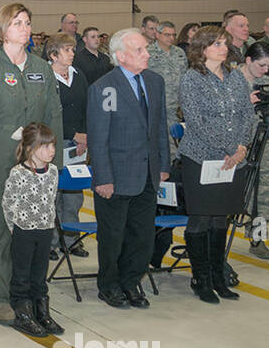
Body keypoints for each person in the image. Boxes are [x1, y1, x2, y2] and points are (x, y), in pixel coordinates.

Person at [0, 4, 62, 323]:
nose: (25, 27)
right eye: (18, 22)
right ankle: (2, 297)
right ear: (3, 29)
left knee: (30, 231)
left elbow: (53, 114)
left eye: (28, 22)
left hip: (35, 166)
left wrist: (53, 158)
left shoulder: (41, 68)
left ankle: (26, 293)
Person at [86, 28, 170, 310]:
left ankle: (131, 281)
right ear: (121, 56)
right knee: (113, 235)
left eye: (146, 49)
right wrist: (103, 177)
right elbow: (99, 138)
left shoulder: (155, 82)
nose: (147, 54)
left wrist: (163, 165)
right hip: (116, 175)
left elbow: (159, 127)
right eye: (140, 50)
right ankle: (109, 285)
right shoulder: (105, 88)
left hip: (148, 173)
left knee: (142, 235)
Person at [177, 27, 253, 304]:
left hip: (233, 157)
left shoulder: (235, 77)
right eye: (217, 43)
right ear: (202, 49)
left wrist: (242, 145)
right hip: (201, 157)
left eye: (224, 43)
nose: (223, 47)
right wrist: (229, 148)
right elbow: (196, 122)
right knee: (201, 217)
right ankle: (201, 279)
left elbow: (247, 112)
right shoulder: (192, 79)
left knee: (221, 216)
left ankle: (218, 276)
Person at [2, 121, 64, 337]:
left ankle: (41, 312)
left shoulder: (54, 171)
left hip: (45, 229)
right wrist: (15, 227)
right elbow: (8, 202)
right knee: (22, 273)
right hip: (23, 231)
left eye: (53, 146)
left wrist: (48, 221)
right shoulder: (18, 173)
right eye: (45, 146)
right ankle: (23, 313)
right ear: (30, 149)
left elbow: (51, 199)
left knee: (39, 272)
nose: (52, 151)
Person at [234, 42, 269, 259]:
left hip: (264, 139)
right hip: (236, 143)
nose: (265, 71)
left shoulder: (267, 83)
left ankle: (258, 238)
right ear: (248, 60)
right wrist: (245, 104)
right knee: (234, 188)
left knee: (264, 188)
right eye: (261, 65)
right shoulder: (230, 80)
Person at [47, 32, 87, 258]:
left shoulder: (78, 75)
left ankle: (71, 240)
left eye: (73, 50)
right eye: (67, 50)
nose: (72, 54)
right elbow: (48, 113)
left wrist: (84, 136)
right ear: (53, 54)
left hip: (78, 144)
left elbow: (87, 106)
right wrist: (74, 134)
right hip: (53, 142)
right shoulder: (44, 76)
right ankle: (51, 242)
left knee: (73, 195)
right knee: (52, 194)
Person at [147, 20, 188, 153]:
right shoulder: (148, 53)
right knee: (161, 144)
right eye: (167, 35)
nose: (171, 38)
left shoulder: (179, 52)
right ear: (157, 35)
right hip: (158, 106)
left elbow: (185, 78)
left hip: (177, 108)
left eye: (173, 35)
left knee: (177, 144)